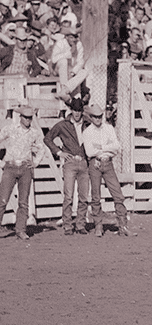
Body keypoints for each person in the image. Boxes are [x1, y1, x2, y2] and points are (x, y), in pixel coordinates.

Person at [81, 103, 129, 237]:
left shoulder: (108, 128)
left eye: (100, 116)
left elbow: (117, 147)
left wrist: (100, 149)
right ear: (90, 117)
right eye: (95, 117)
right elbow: (89, 152)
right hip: (95, 164)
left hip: (107, 163)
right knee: (96, 195)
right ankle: (98, 225)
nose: (98, 119)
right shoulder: (87, 132)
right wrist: (107, 147)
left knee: (118, 194)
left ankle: (123, 225)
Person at [0, 106, 48, 240]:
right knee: (2, 200)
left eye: (30, 118)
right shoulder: (10, 129)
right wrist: (1, 162)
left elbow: (41, 148)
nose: (28, 120)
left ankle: (20, 229)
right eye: (26, 117)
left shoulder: (34, 133)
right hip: (10, 166)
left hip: (25, 167)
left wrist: (35, 163)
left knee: (23, 201)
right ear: (20, 117)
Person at [45, 97, 91, 235]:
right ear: (71, 110)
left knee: (83, 196)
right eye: (75, 110)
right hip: (70, 162)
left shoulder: (87, 123)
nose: (77, 113)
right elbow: (47, 138)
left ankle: (81, 224)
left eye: (79, 111)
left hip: (84, 161)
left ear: (82, 111)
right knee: (69, 195)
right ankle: (67, 225)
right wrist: (59, 152)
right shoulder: (63, 125)